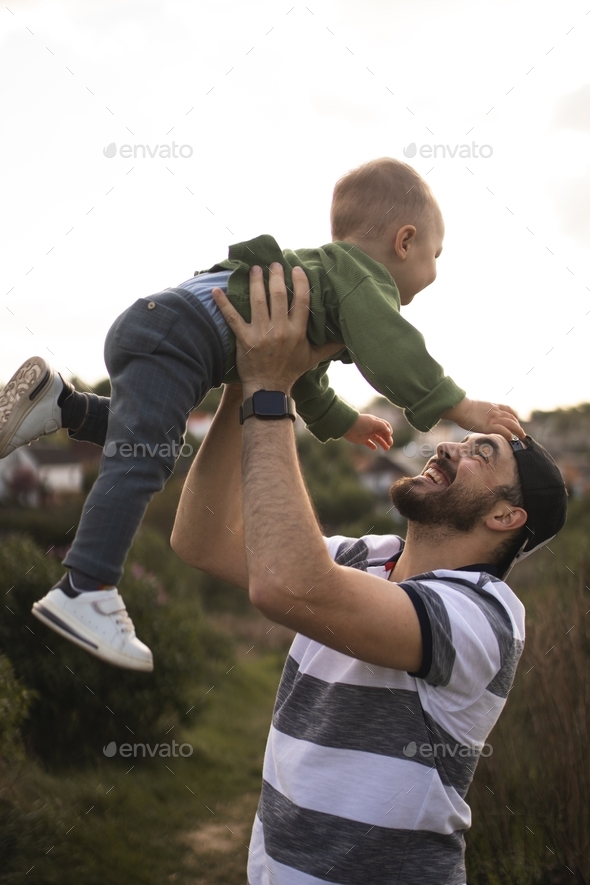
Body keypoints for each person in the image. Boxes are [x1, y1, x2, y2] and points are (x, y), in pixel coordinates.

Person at [0, 157, 525, 672]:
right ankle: (86, 586)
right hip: (180, 337)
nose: (433, 271)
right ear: (404, 241)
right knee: (144, 458)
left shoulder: (326, 283)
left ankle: (62, 404)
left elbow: (303, 376)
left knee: (153, 441)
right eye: (435, 255)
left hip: (165, 325)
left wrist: (347, 423)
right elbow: (396, 352)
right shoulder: (364, 282)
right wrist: (461, 406)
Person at [170, 263, 568, 885]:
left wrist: (273, 389)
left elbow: (286, 585)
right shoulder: (368, 557)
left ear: (504, 516)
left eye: (480, 453)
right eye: (464, 440)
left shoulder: (485, 618)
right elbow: (203, 541)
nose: (450, 446)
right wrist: (243, 381)